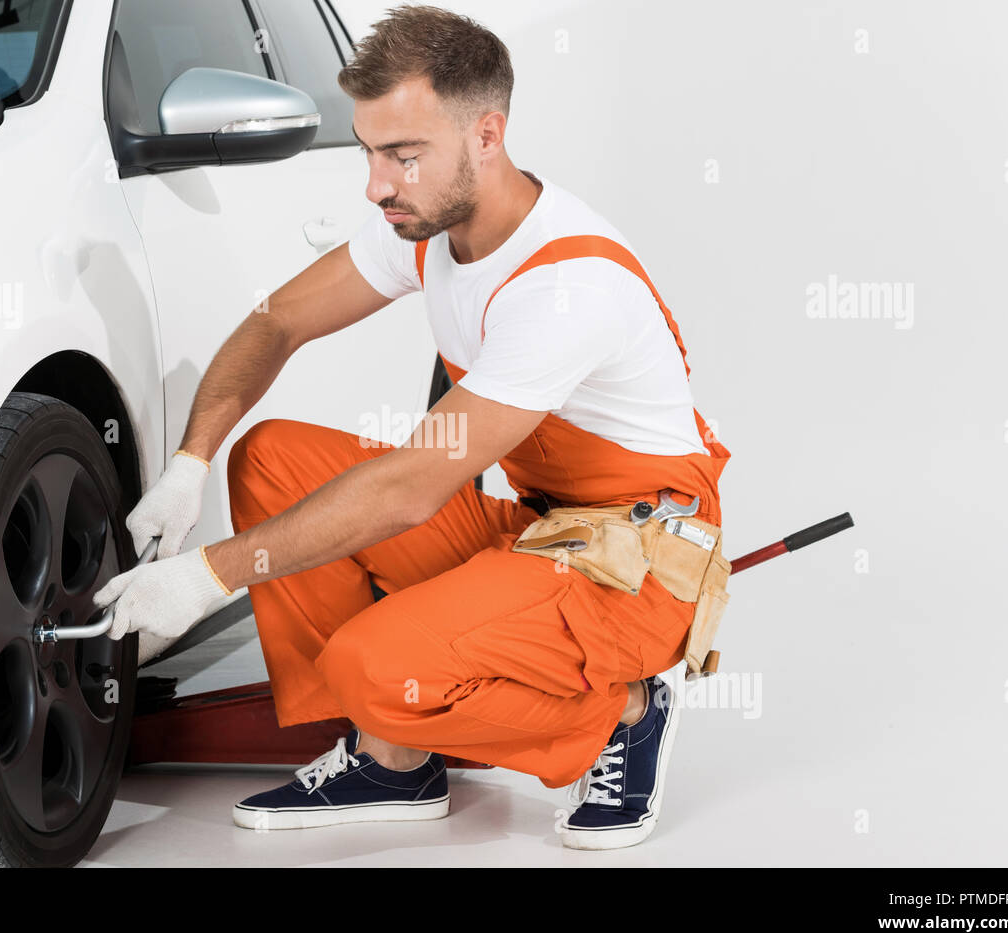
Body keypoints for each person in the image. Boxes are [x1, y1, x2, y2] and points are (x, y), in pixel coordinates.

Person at [92, 3, 730, 849]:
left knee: (371, 662)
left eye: (402, 155)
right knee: (270, 458)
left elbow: (412, 487)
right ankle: (391, 757)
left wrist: (212, 575)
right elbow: (277, 320)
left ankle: (628, 709)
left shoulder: (565, 287)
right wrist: (188, 462)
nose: (376, 183)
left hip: (637, 559)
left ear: (487, 136)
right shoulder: (431, 225)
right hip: (545, 527)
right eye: (368, 150)